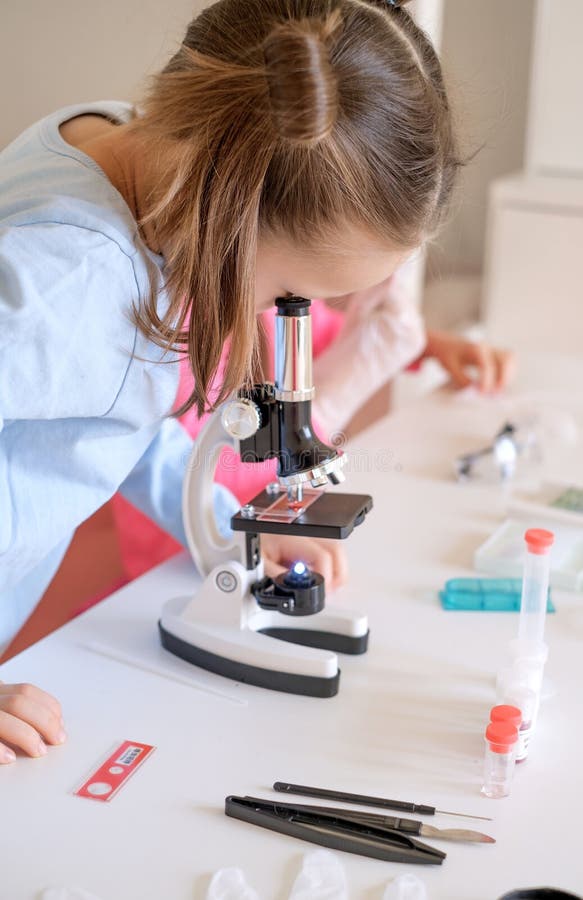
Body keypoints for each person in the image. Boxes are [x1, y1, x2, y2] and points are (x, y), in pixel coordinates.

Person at [0, 0, 462, 763]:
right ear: (226, 205)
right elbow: (77, 345)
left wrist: (221, 523)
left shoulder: (124, 145)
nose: (287, 317)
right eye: (286, 293)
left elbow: (110, 416)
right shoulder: (71, 281)